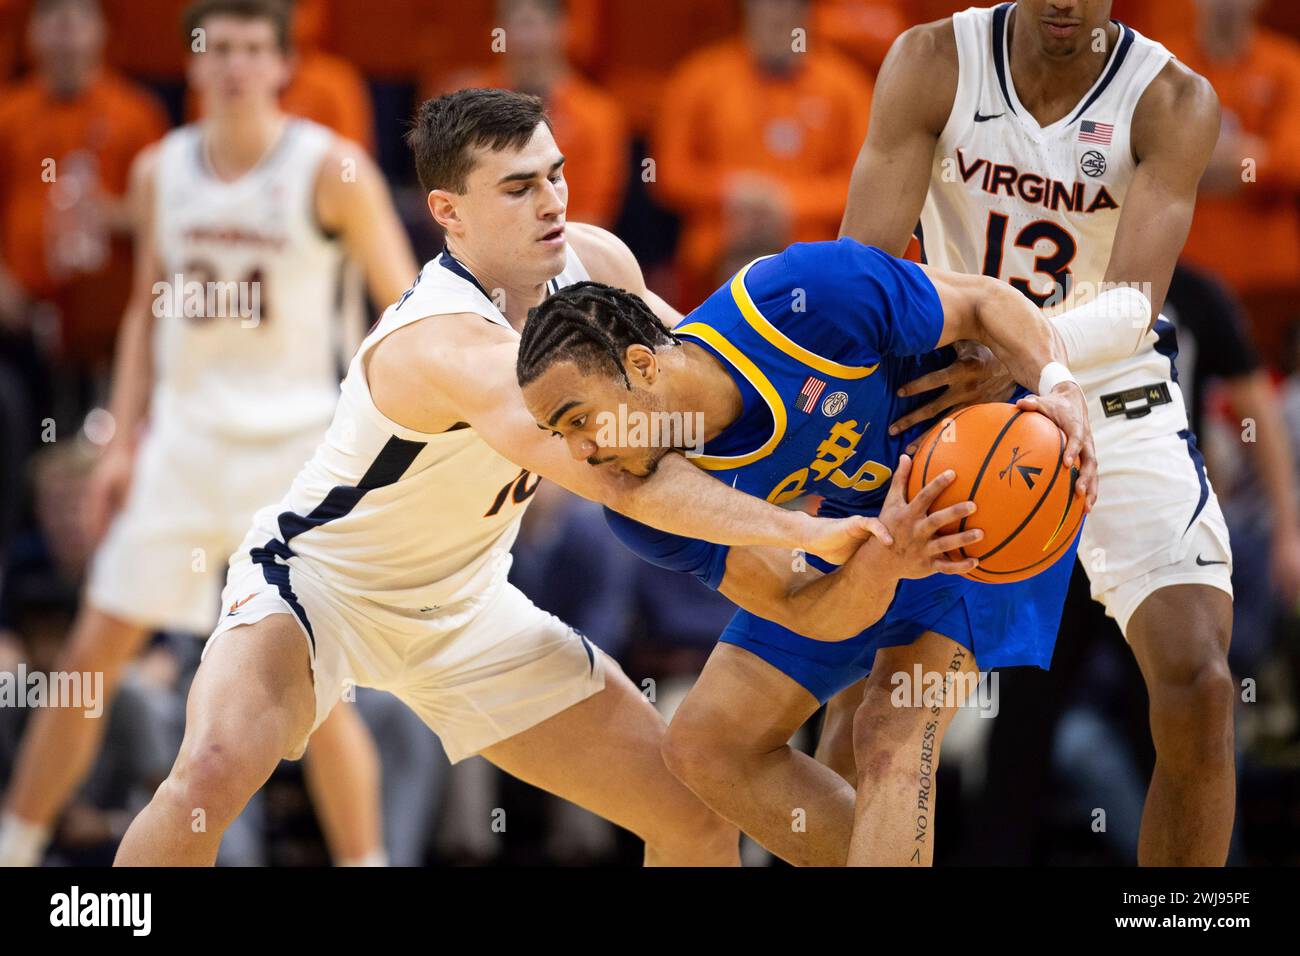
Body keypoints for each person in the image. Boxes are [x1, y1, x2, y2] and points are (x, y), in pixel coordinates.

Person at [111, 87, 877, 867]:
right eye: (518, 188)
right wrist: (801, 528)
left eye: (555, 175)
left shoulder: (600, 263)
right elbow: (620, 476)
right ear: (448, 212)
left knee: (693, 813)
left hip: (466, 605)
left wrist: (866, 415)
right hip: (319, 591)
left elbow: (709, 396)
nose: (550, 202)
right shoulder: (443, 343)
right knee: (206, 779)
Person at [515, 237, 1099, 865]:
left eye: (579, 421)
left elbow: (985, 301)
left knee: (887, 734)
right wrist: (885, 562)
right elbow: (808, 611)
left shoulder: (796, 300)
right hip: (868, 524)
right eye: (558, 434)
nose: (577, 455)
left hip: (982, 492)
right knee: (706, 746)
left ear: (644, 365)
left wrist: (1058, 385)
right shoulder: (646, 509)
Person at [0, 0, 419, 869]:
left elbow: (409, 306)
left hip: (294, 452)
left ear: (281, 63)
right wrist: (119, 444)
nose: (232, 64)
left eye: (250, 48)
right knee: (90, 654)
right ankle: (16, 845)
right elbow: (143, 319)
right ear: (193, 63)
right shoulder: (160, 170)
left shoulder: (330, 169)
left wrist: (390, 442)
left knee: (312, 687)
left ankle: (368, 860)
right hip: (182, 449)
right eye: (215, 48)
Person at [837, 0, 1233, 865]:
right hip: (953, 388)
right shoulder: (934, 60)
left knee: (1200, 680)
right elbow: (861, 266)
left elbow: (1133, 306)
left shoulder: (1171, 98)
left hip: (1105, 388)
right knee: (875, 710)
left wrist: (1024, 357)